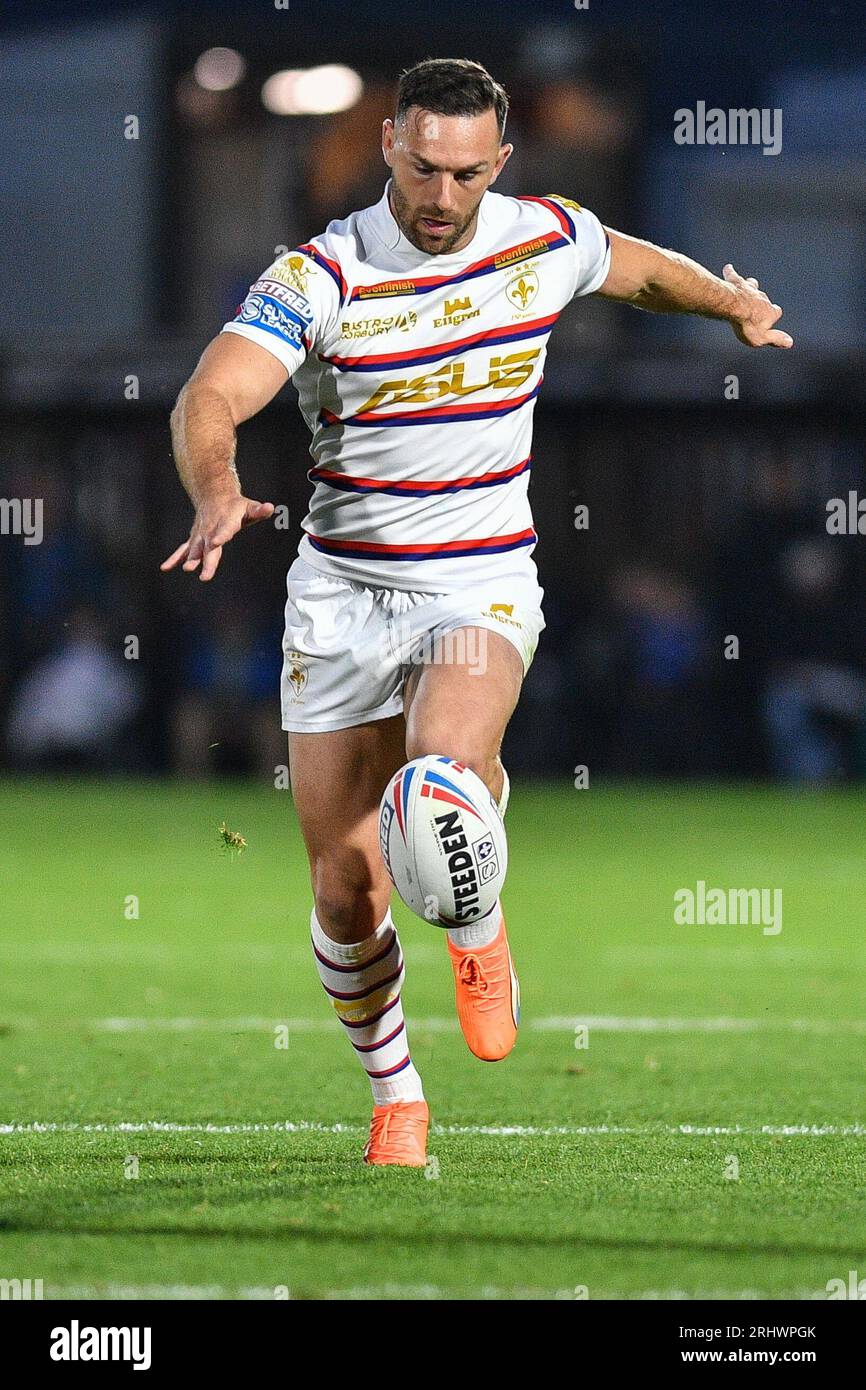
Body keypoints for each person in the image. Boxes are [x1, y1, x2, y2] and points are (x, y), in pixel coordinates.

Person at [161, 58, 792, 1167]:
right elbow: (211, 391)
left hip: (476, 579)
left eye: (462, 172)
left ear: (496, 163)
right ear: (386, 151)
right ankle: (395, 1092)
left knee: (441, 776)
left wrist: (728, 302)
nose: (439, 196)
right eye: (418, 168)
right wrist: (217, 487)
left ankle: (474, 920)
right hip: (341, 592)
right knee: (346, 887)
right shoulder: (323, 274)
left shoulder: (540, 234)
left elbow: (635, 271)